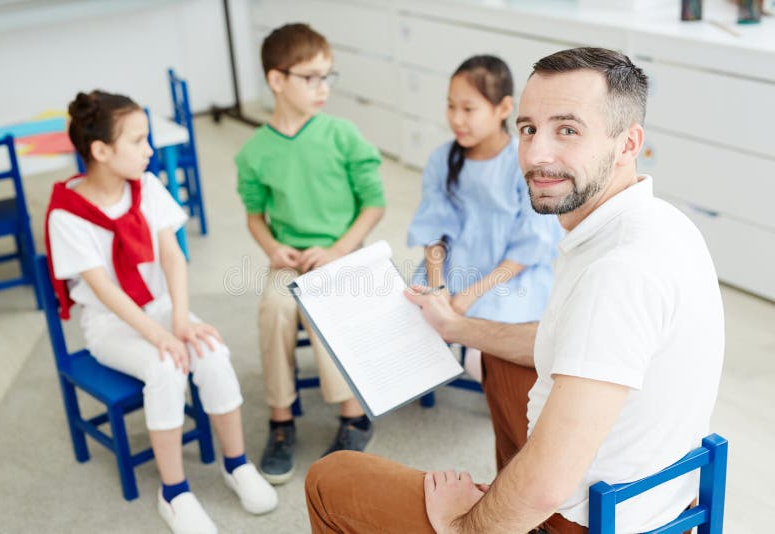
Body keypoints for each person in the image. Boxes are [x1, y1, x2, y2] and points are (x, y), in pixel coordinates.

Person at [304, 47, 724, 533]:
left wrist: (464, 523)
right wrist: (456, 326)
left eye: (567, 130)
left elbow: (547, 486)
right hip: (654, 492)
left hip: (586, 520)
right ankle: (506, 494)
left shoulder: (616, 272)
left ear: (628, 144)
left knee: (329, 478)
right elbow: (567, 341)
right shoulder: (660, 223)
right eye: (528, 129)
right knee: (499, 359)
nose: (537, 154)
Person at [46, 90, 277, 534]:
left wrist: (180, 320)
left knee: (211, 350)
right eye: (138, 141)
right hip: (111, 325)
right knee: (166, 367)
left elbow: (172, 255)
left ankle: (236, 464)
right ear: (101, 151)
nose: (149, 149)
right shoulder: (66, 215)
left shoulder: (147, 187)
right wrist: (161, 337)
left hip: (162, 308)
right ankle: (174, 492)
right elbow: (104, 291)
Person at [235, 23, 386, 485]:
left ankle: (353, 416)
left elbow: (374, 204)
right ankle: (280, 420)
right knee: (275, 307)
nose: (323, 88)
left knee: (323, 304)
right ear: (277, 80)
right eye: (311, 78)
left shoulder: (343, 135)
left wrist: (337, 249)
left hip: (343, 253)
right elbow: (255, 216)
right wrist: (273, 248)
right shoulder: (254, 152)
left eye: (327, 77)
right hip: (290, 259)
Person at [407, 55, 561, 381]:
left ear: (503, 108)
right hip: (450, 270)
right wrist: (438, 286)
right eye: (451, 106)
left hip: (508, 278)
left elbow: (531, 245)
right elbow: (434, 229)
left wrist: (470, 294)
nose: (456, 119)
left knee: (484, 360)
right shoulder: (441, 159)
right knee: (405, 331)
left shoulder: (526, 162)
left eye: (468, 109)